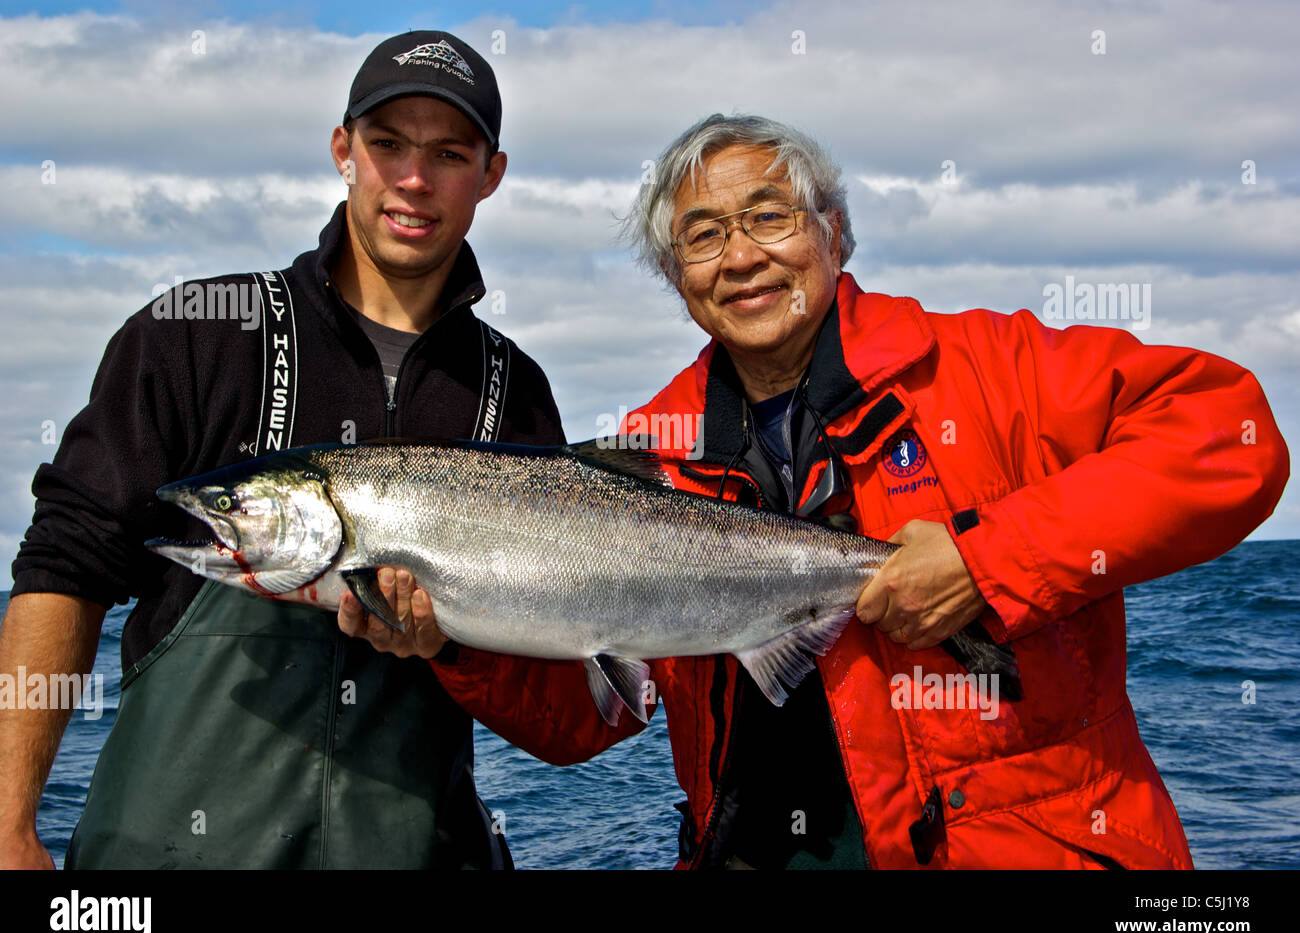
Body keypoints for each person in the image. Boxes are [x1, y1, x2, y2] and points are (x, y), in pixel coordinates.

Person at [0, 29, 625, 870]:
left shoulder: (513, 389)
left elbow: (558, 683)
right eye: (388, 144)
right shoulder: (197, 334)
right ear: (343, 151)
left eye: (449, 153)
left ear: (491, 175)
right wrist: (9, 821)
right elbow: (65, 564)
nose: (413, 179)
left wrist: (451, 644)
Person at [596, 113, 1288, 868]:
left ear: (834, 232)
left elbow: (1229, 435)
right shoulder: (641, 457)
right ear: (674, 274)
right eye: (703, 236)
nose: (740, 257)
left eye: (769, 218)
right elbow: (585, 718)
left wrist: (986, 559)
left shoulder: (994, 369)